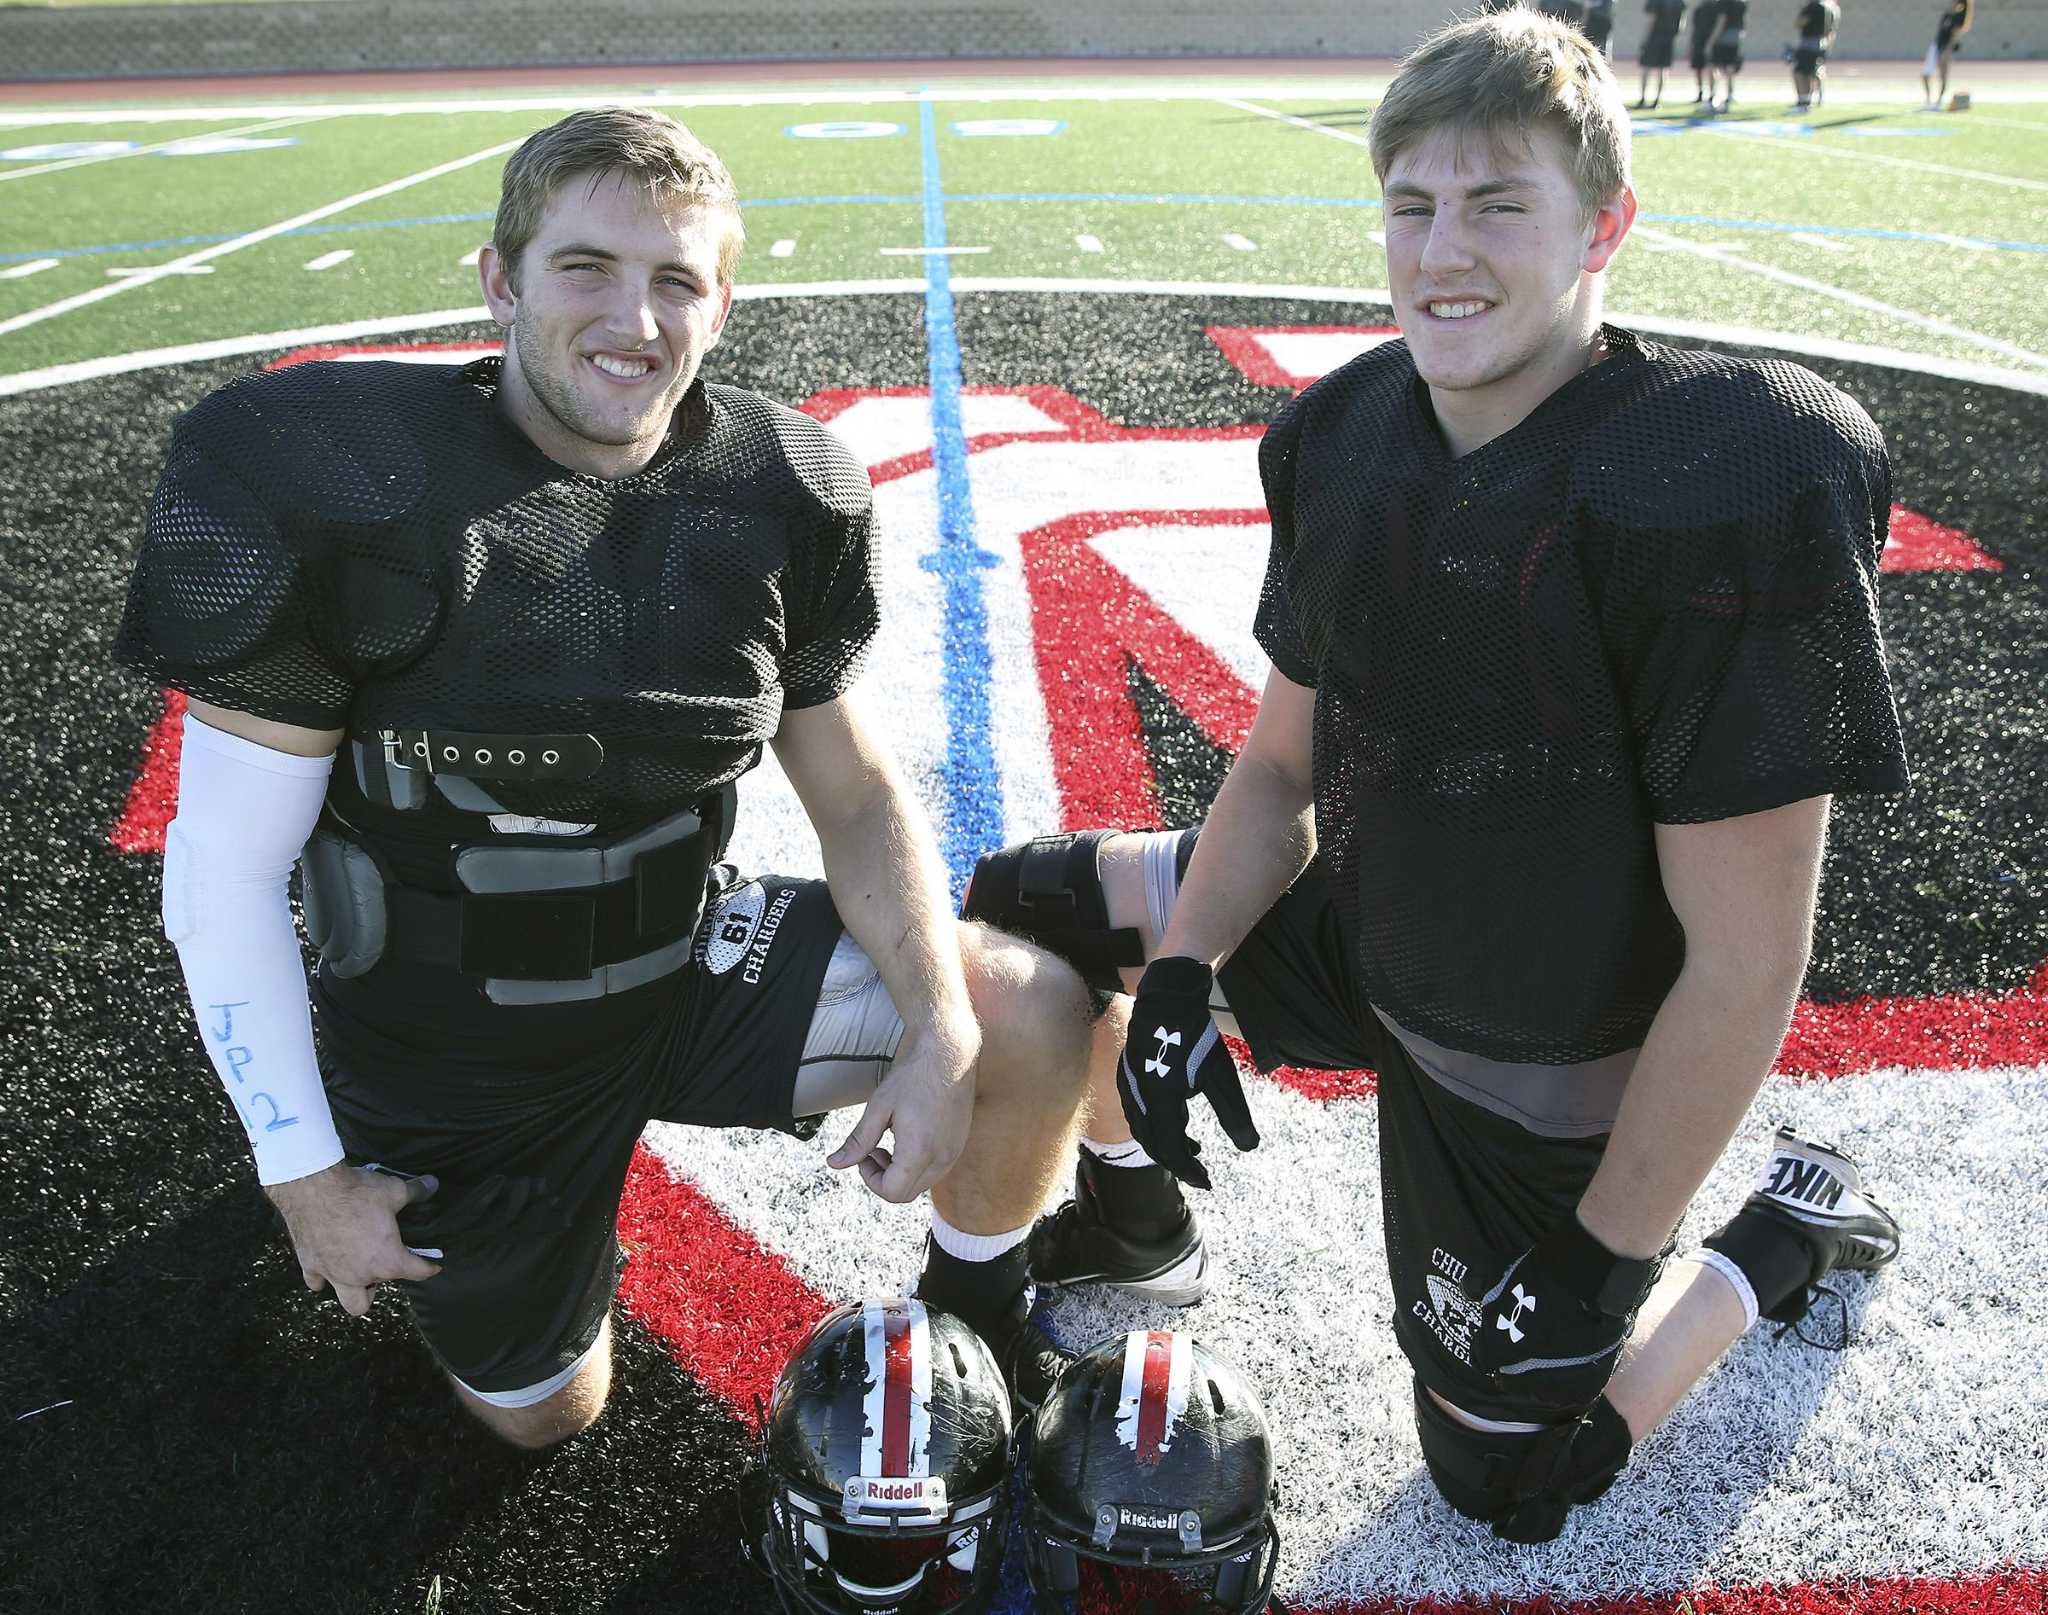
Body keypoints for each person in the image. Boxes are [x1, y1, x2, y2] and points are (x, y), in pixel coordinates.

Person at [968, 9, 1909, 1542]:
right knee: (1028, 906)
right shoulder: (1351, 431)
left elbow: (1748, 962)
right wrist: (1193, 969)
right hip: (1371, 924)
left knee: (1515, 1478)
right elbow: (1277, 769)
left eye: (1496, 204)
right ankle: (1136, 1223)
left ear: (1607, 221)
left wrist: (1611, 1256)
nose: (1441, 249)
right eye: (1413, 205)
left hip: (1535, 1056)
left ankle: (1784, 1234)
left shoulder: (1725, 471)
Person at [113, 107, 1094, 1448]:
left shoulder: (778, 486)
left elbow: (857, 793)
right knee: (546, 1421)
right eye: (587, 266)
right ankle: (517, 1242)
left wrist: (938, 1025)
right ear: (499, 279)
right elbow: (222, 867)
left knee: (1030, 1013)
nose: (634, 316)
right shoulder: (347, 480)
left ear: (723, 303)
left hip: (680, 967)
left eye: (677, 279)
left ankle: (975, 1308)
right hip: (451, 1053)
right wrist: (304, 1173)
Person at [1789, 0, 1839, 112]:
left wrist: (1802, 12)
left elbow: (1799, 23)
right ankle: (1818, 96)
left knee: (1801, 72)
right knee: (1814, 72)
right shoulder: (1829, 8)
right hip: (1822, 43)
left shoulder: (1812, 7)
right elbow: (1830, 31)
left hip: (1809, 43)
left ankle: (1804, 102)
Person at [1923, 0, 1972, 109]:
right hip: (1936, 46)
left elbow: (1954, 37)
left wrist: (1947, 52)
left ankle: (1938, 102)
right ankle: (1928, 100)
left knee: (1943, 76)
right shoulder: (1946, 15)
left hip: (1946, 48)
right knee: (1925, 75)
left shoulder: (1959, 18)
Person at [1637, 0, 1685, 106]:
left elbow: (1652, 19)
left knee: (1646, 67)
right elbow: (1681, 23)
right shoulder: (1679, 2)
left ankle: (1643, 99)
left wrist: (1645, 38)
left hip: (1655, 37)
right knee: (1663, 70)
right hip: (1669, 38)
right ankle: (1657, 101)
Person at [1708, 0, 1748, 110]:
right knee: (1730, 67)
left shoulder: (1723, 3)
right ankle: (1730, 95)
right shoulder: (1741, 3)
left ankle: (1713, 96)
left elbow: (1722, 20)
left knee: (1713, 66)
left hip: (1723, 38)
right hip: (1735, 37)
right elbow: (1743, 22)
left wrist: (1713, 39)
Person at [1688, 0, 1723, 102]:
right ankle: (1700, 93)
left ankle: (1712, 94)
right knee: (1698, 68)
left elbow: (1718, 26)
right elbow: (1694, 28)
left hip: (1711, 42)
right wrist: (1691, 44)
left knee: (1712, 68)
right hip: (1698, 41)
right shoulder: (1699, 10)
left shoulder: (1717, 9)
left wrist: (1711, 42)